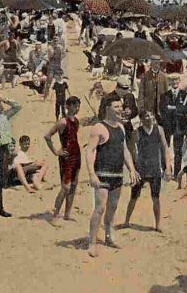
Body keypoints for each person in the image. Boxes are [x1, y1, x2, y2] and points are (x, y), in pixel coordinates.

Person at [86, 96, 139, 258]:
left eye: (121, 106)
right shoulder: (98, 128)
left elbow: (124, 150)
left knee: (113, 207)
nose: (120, 109)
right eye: (116, 106)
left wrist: (131, 169)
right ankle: (92, 242)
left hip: (117, 174)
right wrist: (91, 174)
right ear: (108, 108)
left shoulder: (121, 128)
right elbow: (89, 151)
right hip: (102, 174)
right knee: (100, 208)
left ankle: (109, 236)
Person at [121, 111, 173, 232]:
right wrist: (133, 169)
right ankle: (126, 221)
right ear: (141, 119)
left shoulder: (159, 129)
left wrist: (168, 167)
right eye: (146, 116)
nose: (150, 118)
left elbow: (165, 148)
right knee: (133, 197)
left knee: (156, 197)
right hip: (141, 170)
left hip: (155, 169)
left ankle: (157, 224)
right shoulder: (137, 132)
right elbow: (131, 150)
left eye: (151, 115)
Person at [44, 96, 88, 220]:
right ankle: (55, 214)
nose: (77, 108)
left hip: (76, 155)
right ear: (68, 106)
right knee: (65, 187)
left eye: (78, 106)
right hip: (66, 156)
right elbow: (47, 136)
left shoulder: (77, 121)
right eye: (74, 106)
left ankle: (67, 214)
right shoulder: (63, 122)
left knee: (74, 185)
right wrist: (55, 152)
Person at [138, 55, 168, 123]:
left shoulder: (163, 77)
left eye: (158, 63)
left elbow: (167, 94)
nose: (156, 65)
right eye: (154, 63)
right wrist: (141, 108)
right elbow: (141, 94)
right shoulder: (144, 76)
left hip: (160, 108)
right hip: (148, 107)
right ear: (151, 64)